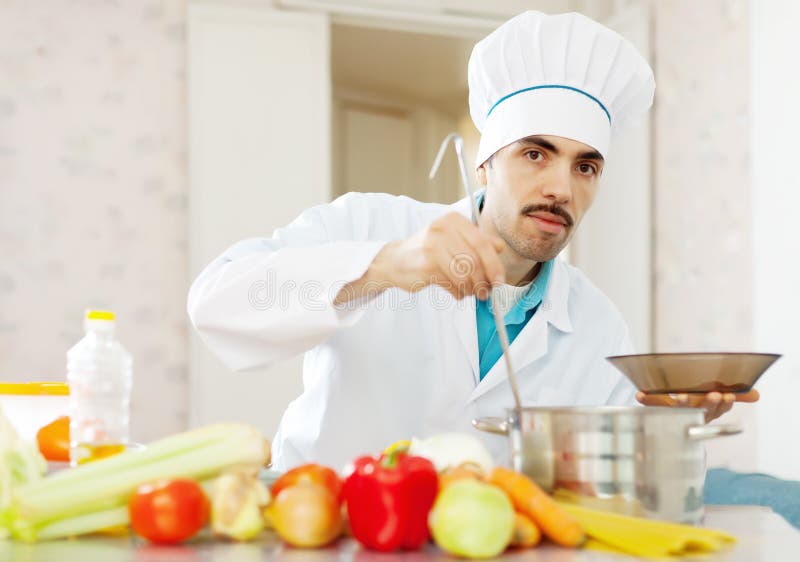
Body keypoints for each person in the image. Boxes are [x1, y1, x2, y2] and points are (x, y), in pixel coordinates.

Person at [188, 11, 757, 471]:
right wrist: (387, 266)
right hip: (321, 535)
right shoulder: (367, 224)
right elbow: (216, 303)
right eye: (535, 153)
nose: (561, 188)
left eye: (585, 167)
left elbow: (612, 486)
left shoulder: (598, 329)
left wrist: (670, 431)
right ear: (484, 165)